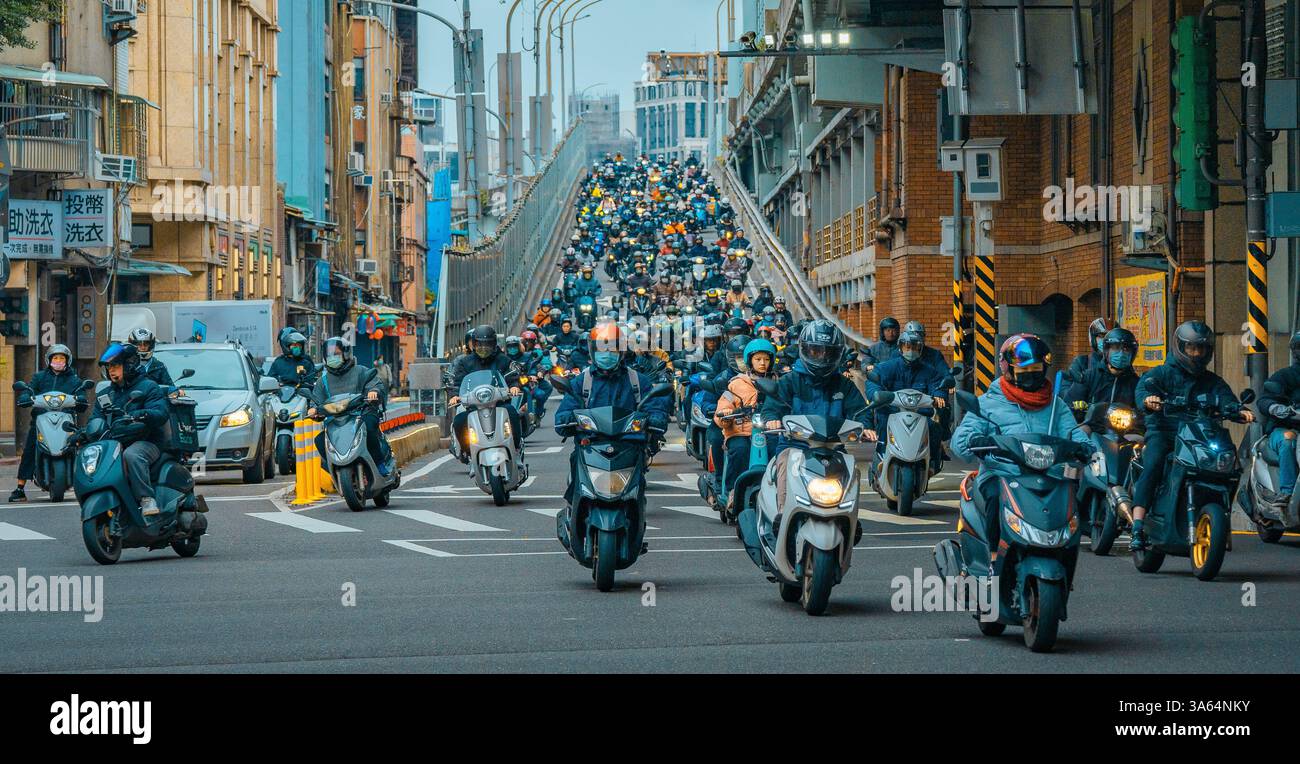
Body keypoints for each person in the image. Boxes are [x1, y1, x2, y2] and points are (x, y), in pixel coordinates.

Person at [950, 334, 1093, 556]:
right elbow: (960, 441)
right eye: (1023, 369)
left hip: (1049, 474)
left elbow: (1073, 432)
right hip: (1002, 474)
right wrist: (974, 440)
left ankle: (1064, 556)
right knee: (995, 497)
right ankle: (993, 557)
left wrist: (1084, 446)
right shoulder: (988, 403)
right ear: (1007, 369)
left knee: (1071, 499)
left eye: (1035, 368)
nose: (1030, 374)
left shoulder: (1056, 404)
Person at [1129, 321, 1252, 550]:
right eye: (1192, 348)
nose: (1196, 354)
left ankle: (1218, 519)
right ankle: (1137, 524)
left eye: (1202, 349)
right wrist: (1148, 399)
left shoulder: (1212, 380)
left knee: (1228, 466)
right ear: (1180, 347)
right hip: (1165, 431)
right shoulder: (1161, 373)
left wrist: (1240, 410)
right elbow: (1144, 388)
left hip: (1199, 435)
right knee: (1154, 462)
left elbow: (1227, 399)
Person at [760, 321, 876, 511]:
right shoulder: (789, 381)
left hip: (833, 448)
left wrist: (866, 426)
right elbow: (773, 406)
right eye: (815, 351)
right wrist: (772, 419)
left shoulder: (843, 385)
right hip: (794, 446)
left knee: (850, 472)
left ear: (837, 354)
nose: (821, 357)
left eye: (827, 352)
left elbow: (859, 410)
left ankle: (849, 518)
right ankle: (783, 514)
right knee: (785, 468)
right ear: (804, 349)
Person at [554, 322, 670, 508]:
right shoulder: (581, 382)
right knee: (575, 464)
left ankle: (635, 518)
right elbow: (565, 411)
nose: (606, 353)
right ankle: (573, 511)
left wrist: (656, 418)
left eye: (612, 348)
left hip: (629, 445)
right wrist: (566, 418)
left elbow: (655, 407)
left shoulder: (638, 381)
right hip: (591, 446)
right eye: (602, 348)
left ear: (621, 351)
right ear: (592, 350)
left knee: (638, 487)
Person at [86, 342, 171, 515]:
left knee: (132, 455)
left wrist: (143, 414)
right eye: (109, 367)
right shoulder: (106, 394)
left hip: (147, 441)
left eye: (115, 365)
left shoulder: (148, 387)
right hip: (116, 441)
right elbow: (96, 419)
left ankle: (147, 498)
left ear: (129, 364)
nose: (111, 370)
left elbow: (161, 412)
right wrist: (82, 433)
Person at [10, 344, 88, 502]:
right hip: (41, 418)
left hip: (65, 419)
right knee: (31, 446)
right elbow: (29, 390)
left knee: (80, 444)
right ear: (49, 360)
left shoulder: (74, 380)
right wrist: (25, 396)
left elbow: (81, 393)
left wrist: (81, 398)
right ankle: (20, 487)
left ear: (67, 360)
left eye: (61, 358)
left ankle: (85, 482)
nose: (58, 360)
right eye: (55, 358)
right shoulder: (39, 377)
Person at [866, 328, 951, 473]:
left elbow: (938, 384)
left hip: (921, 415)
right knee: (883, 425)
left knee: (934, 428)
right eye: (907, 347)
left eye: (915, 347)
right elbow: (873, 380)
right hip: (891, 413)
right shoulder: (887, 367)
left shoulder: (929, 371)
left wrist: (939, 395)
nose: (911, 350)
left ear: (921, 348)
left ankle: (932, 462)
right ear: (900, 348)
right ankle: (880, 458)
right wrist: (875, 394)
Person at [307, 337, 393, 476]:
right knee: (319, 440)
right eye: (329, 355)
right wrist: (313, 409)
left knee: (370, 428)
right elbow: (316, 401)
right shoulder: (323, 381)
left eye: (336, 353)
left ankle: (379, 463)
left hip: (361, 414)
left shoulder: (360, 371)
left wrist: (373, 392)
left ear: (346, 354)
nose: (332, 357)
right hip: (337, 421)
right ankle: (333, 471)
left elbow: (374, 384)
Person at [446, 325, 523, 458]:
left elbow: (511, 375)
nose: (483, 348)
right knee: (459, 420)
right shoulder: (465, 362)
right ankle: (468, 451)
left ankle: (515, 446)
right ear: (473, 344)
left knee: (512, 413)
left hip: (499, 404)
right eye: (479, 344)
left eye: (487, 344)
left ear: (493, 344)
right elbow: (457, 381)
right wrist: (454, 395)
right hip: (473, 406)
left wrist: (514, 386)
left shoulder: (503, 360)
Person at [714, 338, 778, 499]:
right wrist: (727, 413)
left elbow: (787, 405)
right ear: (750, 361)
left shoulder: (780, 383)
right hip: (740, 431)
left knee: (779, 450)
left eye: (766, 359)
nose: (762, 363)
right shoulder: (736, 384)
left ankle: (778, 490)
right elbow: (723, 405)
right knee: (739, 450)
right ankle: (732, 492)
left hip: (771, 431)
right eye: (758, 359)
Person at [1063, 327, 1139, 433]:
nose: (1121, 353)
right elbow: (1067, 407)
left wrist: (1137, 431)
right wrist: (1078, 409)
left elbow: (1143, 415)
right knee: (1082, 432)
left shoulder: (1136, 383)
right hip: (1092, 429)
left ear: (1133, 353)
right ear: (1107, 351)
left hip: (1124, 433)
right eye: (1116, 348)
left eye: (1126, 349)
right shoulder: (1089, 377)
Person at [1258, 332, 1300, 507]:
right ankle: (1287, 493)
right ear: (1295, 351)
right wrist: (1276, 408)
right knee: (1288, 439)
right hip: (1284, 429)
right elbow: (1264, 399)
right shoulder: (1284, 376)